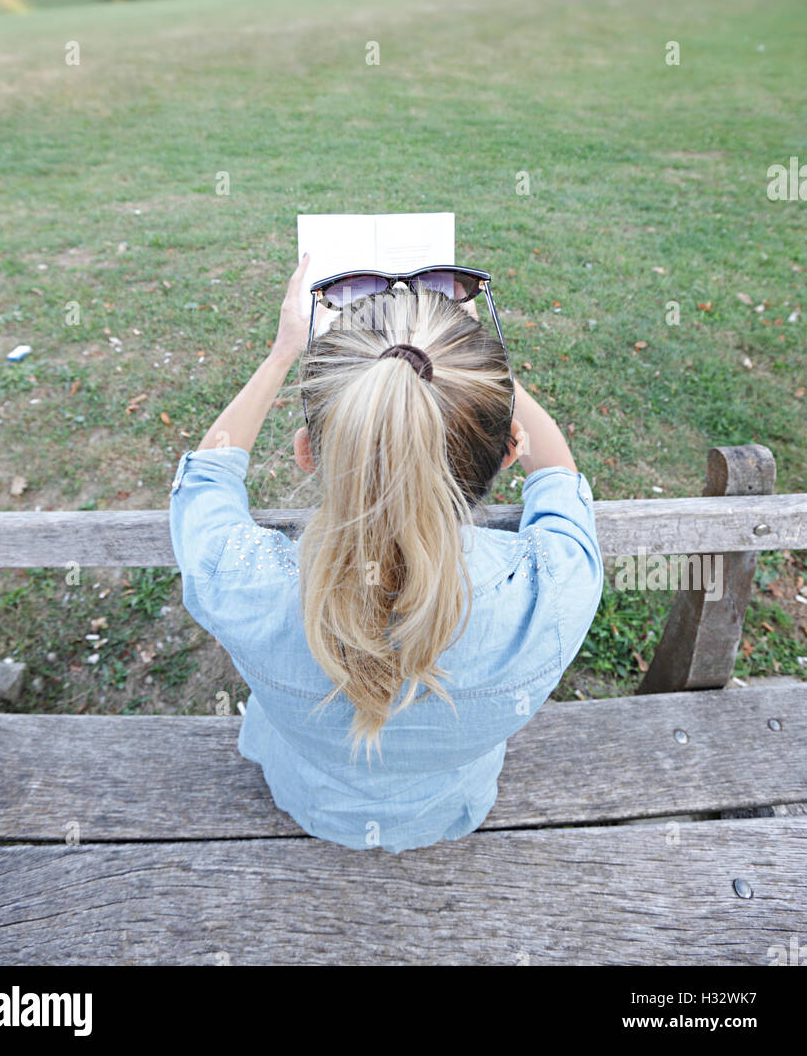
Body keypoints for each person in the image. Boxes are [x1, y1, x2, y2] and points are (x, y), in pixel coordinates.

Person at [170, 254, 603, 853]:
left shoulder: (240, 582)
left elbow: (207, 479)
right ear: (508, 451)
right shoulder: (554, 591)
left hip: (307, 798)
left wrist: (282, 354)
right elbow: (556, 473)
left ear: (307, 453)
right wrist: (473, 364)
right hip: (454, 806)